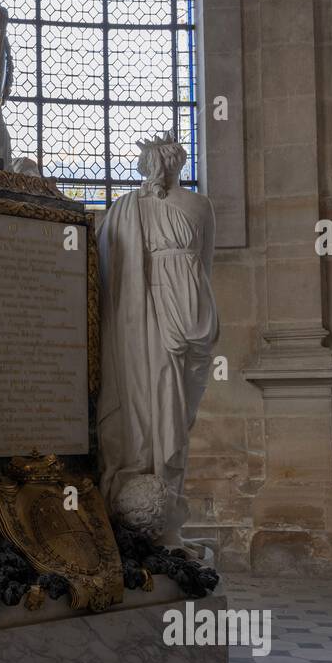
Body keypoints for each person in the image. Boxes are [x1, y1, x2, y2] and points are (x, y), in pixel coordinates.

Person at [97, 132, 217, 554]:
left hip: (189, 315)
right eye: (162, 161)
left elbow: (205, 264)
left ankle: (167, 512)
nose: (163, 168)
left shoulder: (199, 206)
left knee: (178, 413)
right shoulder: (128, 209)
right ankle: (150, 507)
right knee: (151, 405)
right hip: (145, 316)